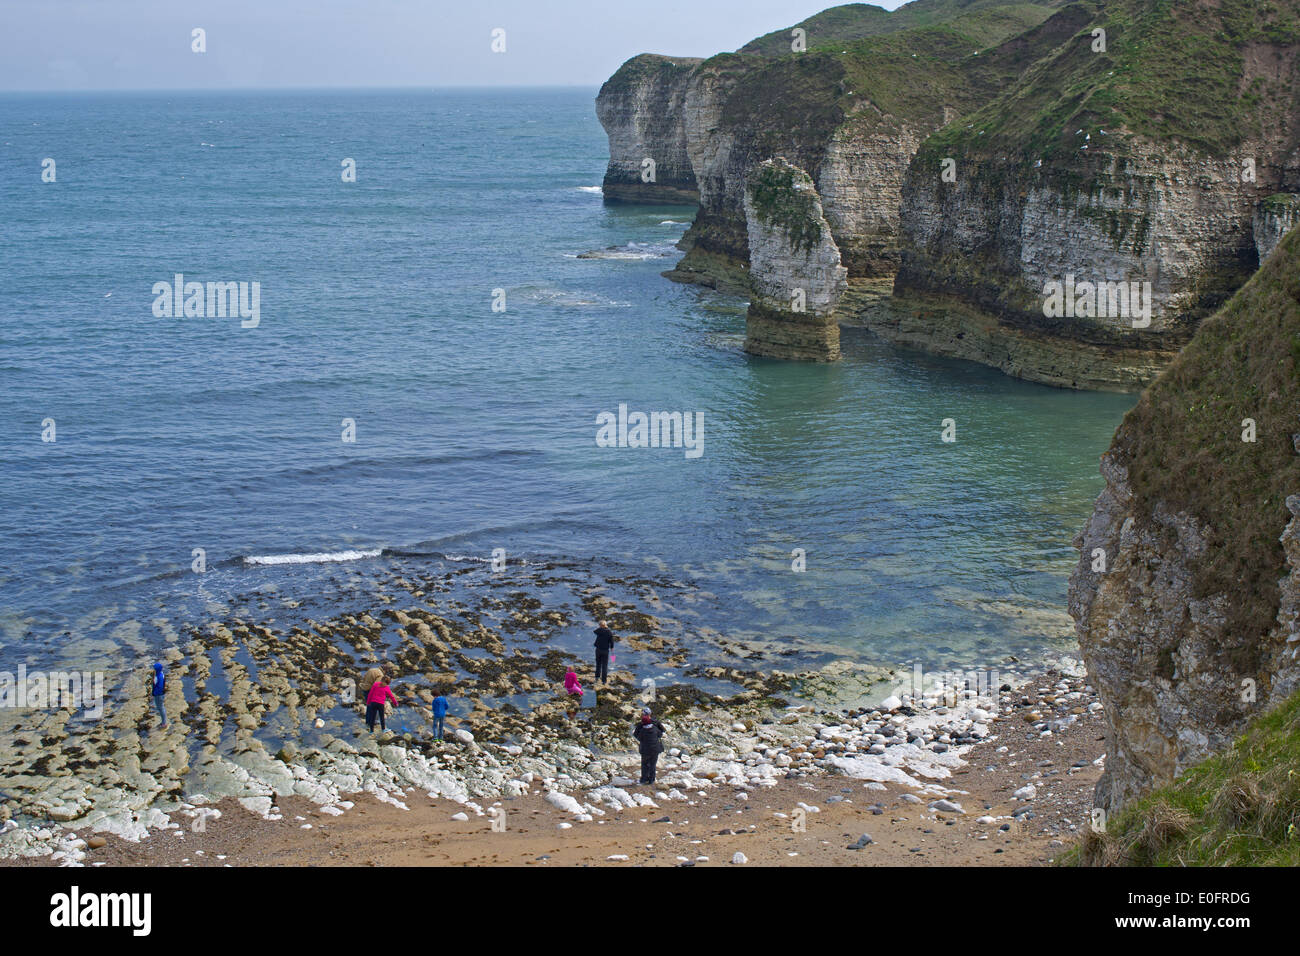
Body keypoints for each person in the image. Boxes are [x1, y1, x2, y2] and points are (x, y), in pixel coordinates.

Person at [633, 707, 665, 785]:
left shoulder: (641, 725)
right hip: (655, 748)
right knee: (653, 764)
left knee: (644, 764)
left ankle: (644, 779)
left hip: (645, 749)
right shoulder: (655, 724)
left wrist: (644, 739)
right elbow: (662, 732)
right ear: (650, 714)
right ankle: (651, 780)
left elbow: (636, 735)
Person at [593, 619, 616, 685]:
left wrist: (601, 627)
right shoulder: (609, 632)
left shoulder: (599, 631)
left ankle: (597, 677)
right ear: (605, 625)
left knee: (598, 664)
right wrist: (612, 648)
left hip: (598, 650)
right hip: (605, 650)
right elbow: (612, 642)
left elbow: (595, 631)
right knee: (604, 666)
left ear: (600, 625)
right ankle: (604, 681)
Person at [147, 661, 167, 728]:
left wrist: (154, 694)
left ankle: (164, 723)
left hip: (159, 695)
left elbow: (159, 687)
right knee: (161, 707)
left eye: (155, 668)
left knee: (160, 708)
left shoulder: (158, 676)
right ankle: (163, 722)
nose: (154, 669)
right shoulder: (161, 674)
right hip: (160, 694)